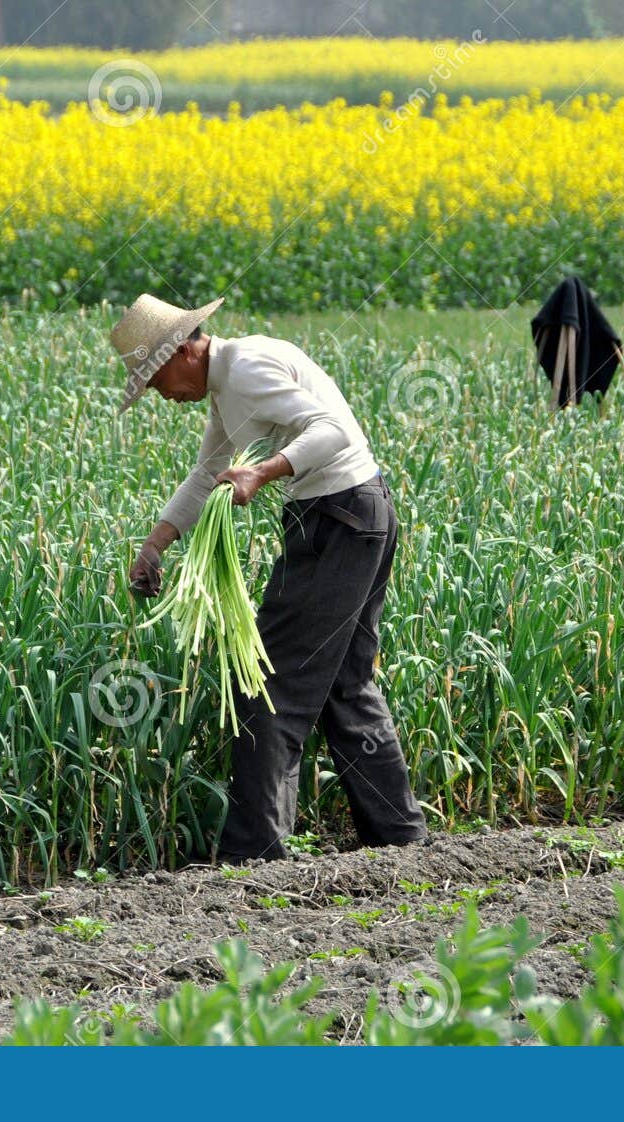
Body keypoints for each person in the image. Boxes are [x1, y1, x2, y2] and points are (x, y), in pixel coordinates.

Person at [111, 293, 428, 862]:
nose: (159, 395)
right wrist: (155, 545)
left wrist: (263, 469)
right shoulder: (228, 382)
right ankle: (401, 838)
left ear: (184, 351)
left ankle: (255, 856)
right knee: (343, 684)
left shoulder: (247, 368)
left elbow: (332, 430)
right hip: (355, 515)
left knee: (263, 681)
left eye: (155, 379)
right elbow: (208, 473)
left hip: (339, 520)